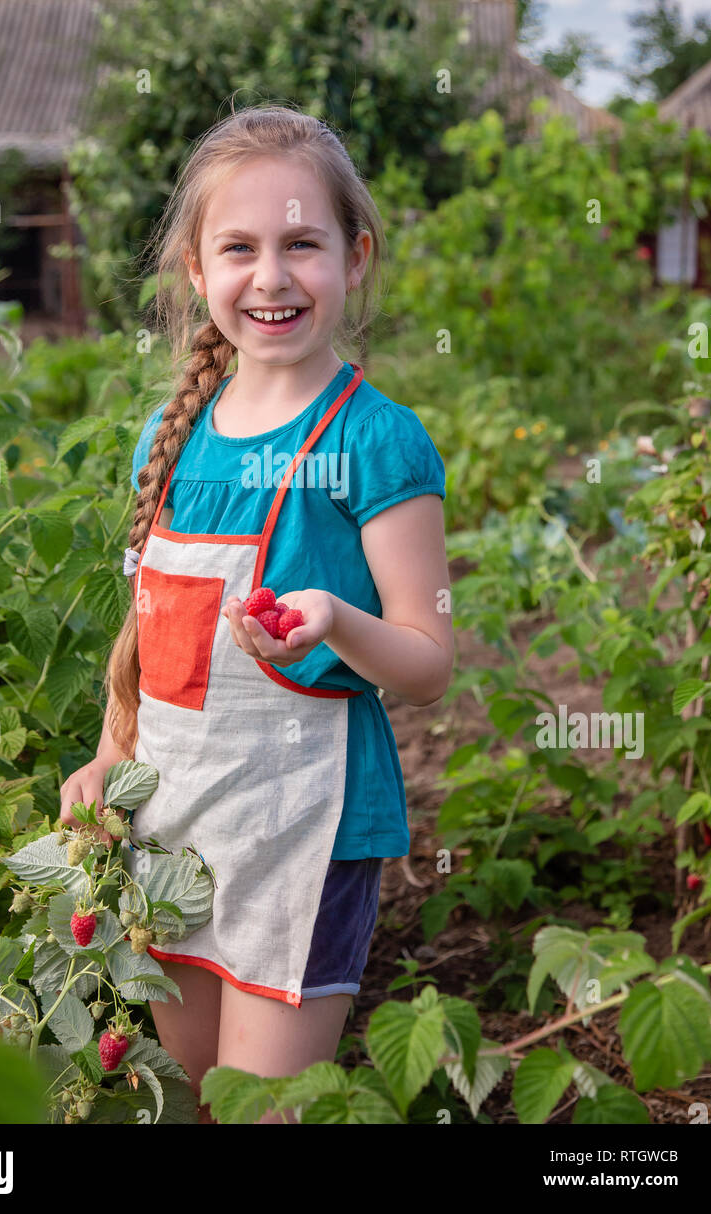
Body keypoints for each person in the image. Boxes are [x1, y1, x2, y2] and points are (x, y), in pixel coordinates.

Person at [60, 102, 453, 1124]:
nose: (270, 276)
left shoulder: (377, 443)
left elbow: (425, 662)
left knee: (262, 1111)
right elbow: (150, 636)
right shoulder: (173, 429)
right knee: (193, 1096)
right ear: (196, 268)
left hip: (303, 831)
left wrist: (336, 620)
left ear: (353, 257)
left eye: (301, 244)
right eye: (238, 247)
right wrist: (108, 759)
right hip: (174, 823)